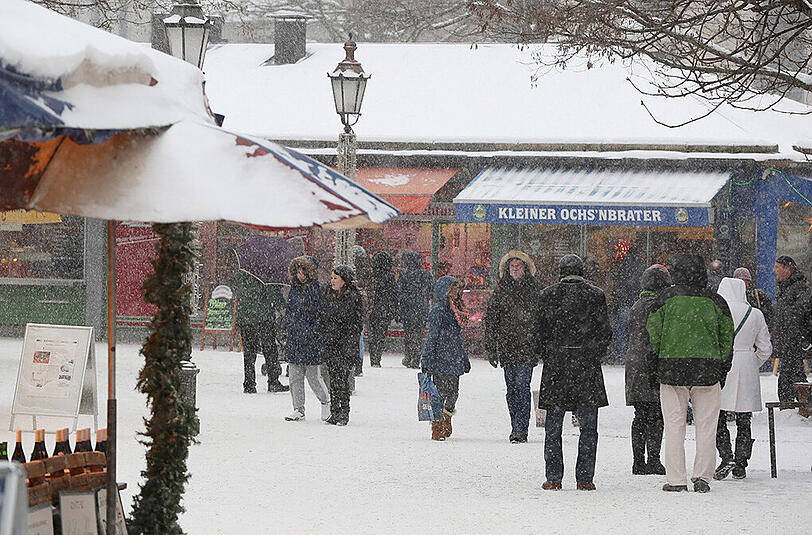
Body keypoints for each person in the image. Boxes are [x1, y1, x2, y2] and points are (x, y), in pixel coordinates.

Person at [647, 254, 733, 493]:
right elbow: (727, 337)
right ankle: (703, 477)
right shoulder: (717, 301)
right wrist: (722, 365)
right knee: (707, 425)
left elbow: (653, 334)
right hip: (707, 369)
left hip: (672, 368)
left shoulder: (664, 299)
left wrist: (656, 361)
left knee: (674, 425)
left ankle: (675, 479)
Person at [537, 254, 612, 491]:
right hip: (586, 367)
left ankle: (553, 477)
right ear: (582, 272)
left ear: (561, 271)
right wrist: (592, 353)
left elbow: (539, 332)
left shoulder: (547, 295)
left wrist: (550, 353)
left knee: (554, 426)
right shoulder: (596, 295)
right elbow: (605, 332)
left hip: (557, 367)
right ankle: (585, 478)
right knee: (588, 427)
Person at [714, 277, 772, 480]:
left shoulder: (719, 310)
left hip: (724, 363)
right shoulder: (755, 314)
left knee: (718, 414)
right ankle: (741, 462)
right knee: (744, 418)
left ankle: (726, 455)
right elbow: (765, 348)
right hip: (747, 364)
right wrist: (751, 362)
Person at [483, 250, 541, 444]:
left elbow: (542, 319)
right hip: (508, 347)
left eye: (518, 266)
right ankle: (515, 424)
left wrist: (541, 344)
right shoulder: (501, 291)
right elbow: (491, 320)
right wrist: (491, 347)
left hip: (527, 346)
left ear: (525, 268)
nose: (515, 270)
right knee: (511, 389)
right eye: (512, 267)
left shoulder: (534, 290)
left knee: (522, 386)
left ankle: (520, 428)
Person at [625, 264, 671, 475]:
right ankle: (653, 459)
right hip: (653, 364)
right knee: (656, 415)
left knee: (640, 414)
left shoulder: (636, 305)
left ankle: (638, 461)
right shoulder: (660, 305)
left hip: (635, 364)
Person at [421, 276, 471, 441]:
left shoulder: (456, 309)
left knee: (453, 393)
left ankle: (446, 417)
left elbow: (457, 338)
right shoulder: (439, 310)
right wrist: (426, 360)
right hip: (441, 359)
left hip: (454, 358)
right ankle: (438, 425)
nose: (456, 293)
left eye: (457, 290)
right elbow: (432, 337)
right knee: (440, 394)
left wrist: (464, 358)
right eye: (452, 290)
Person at [283, 256, 331, 422]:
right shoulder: (294, 289)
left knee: (313, 376)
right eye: (297, 272)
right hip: (295, 336)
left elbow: (320, 312)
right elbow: (290, 309)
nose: (300, 275)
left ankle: (325, 402)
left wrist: (315, 330)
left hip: (311, 337)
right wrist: (288, 324)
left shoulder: (317, 289)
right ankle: (298, 408)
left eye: (303, 272)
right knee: (295, 376)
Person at [231, 265, 289, 394]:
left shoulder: (242, 273)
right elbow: (272, 295)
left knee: (249, 352)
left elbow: (235, 288)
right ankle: (273, 381)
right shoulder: (265, 273)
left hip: (246, 318)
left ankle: (249, 384)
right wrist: (282, 305)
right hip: (264, 318)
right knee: (270, 350)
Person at [318, 265, 363, 426]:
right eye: (331, 278)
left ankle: (343, 412)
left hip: (344, 345)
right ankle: (335, 411)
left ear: (344, 280)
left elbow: (354, 324)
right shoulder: (329, 296)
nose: (332, 281)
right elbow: (323, 317)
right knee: (333, 379)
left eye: (336, 278)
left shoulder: (352, 298)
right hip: (331, 344)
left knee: (342, 380)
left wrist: (348, 343)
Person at [771, 256, 812, 403]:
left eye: (777, 267)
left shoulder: (799, 288)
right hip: (789, 341)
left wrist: (801, 338)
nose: (773, 270)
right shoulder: (785, 288)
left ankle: (794, 406)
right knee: (793, 375)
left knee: (791, 376)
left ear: (787, 269)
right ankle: (797, 405)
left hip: (794, 342)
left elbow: (801, 315)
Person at [397, 251, 433, 369]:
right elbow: (431, 292)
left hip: (407, 309)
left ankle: (409, 356)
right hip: (421, 309)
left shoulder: (404, 274)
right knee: (418, 335)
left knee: (408, 334)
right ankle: (416, 358)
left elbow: (399, 292)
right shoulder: (426, 275)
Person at [367, 251, 398, 367]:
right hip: (383, 309)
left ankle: (373, 357)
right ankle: (377, 358)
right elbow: (393, 294)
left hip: (373, 309)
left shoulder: (372, 275)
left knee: (373, 335)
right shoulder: (389, 277)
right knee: (380, 335)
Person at [352, 245, 371, 377]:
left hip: (356, 310)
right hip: (361, 311)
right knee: (359, 339)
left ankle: (355, 365)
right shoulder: (367, 271)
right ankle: (358, 365)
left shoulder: (351, 272)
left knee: (356, 339)